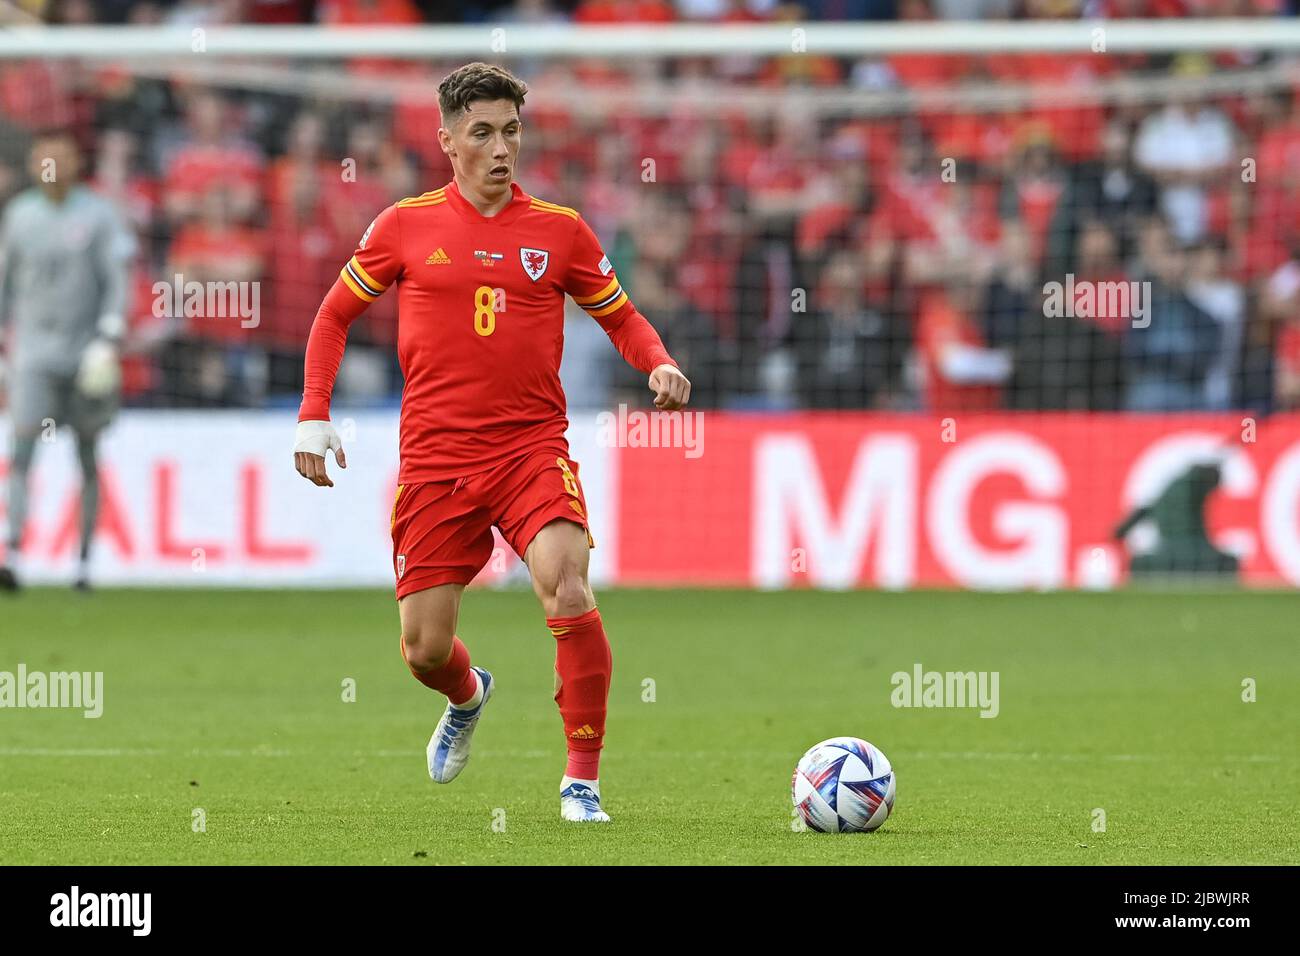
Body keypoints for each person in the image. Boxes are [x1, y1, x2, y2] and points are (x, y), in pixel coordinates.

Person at [291, 63, 690, 823]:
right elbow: (333, 315)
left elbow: (621, 317)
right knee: (424, 651)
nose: (502, 147)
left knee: (568, 588)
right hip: (438, 461)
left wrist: (660, 361)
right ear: (447, 141)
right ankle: (470, 696)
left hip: (530, 450)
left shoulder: (560, 231)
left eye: (512, 130)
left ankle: (581, 782)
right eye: (482, 133)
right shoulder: (403, 226)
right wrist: (315, 413)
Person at [0, 129, 133, 592]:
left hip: (85, 356)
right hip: (34, 355)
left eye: (61, 157)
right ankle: (12, 554)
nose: (51, 166)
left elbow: (117, 281)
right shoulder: (19, 217)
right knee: (20, 450)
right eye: (44, 158)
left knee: (88, 454)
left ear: (76, 163)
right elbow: (5, 284)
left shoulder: (98, 215)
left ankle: (83, 564)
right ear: (35, 165)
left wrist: (108, 336)